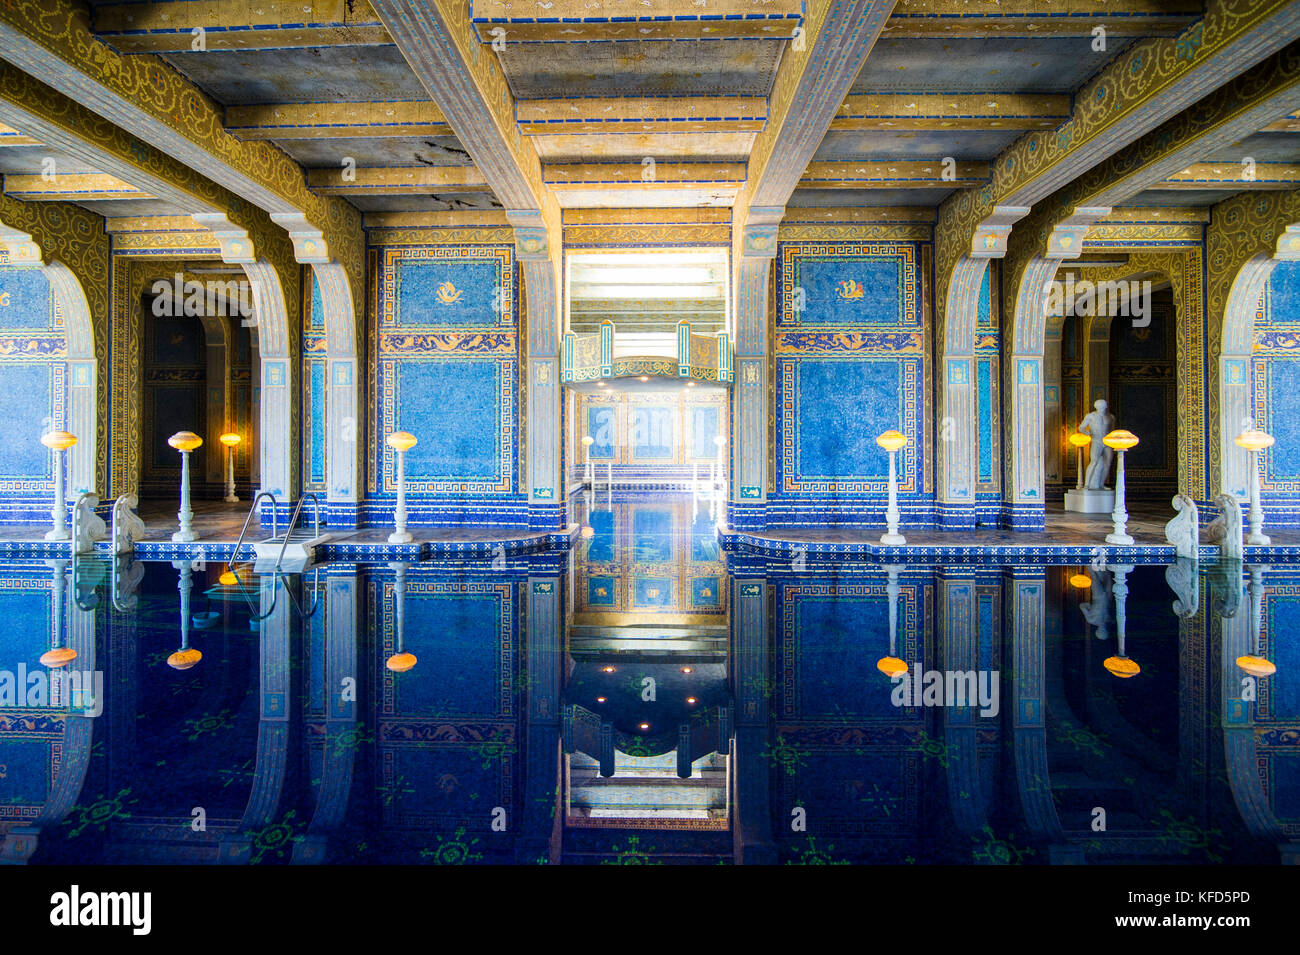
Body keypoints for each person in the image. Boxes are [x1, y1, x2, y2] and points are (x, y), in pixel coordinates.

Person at [1079, 399, 1116, 490]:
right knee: (1094, 461)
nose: (1102, 408)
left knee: (1107, 463)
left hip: (1107, 441)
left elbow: (1112, 430)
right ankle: (1086, 485)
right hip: (1096, 440)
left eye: (1103, 406)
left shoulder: (1111, 417)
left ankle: (1101, 484)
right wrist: (1086, 432)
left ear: (1106, 406)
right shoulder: (1091, 416)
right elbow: (1081, 427)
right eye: (1100, 407)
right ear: (1096, 407)